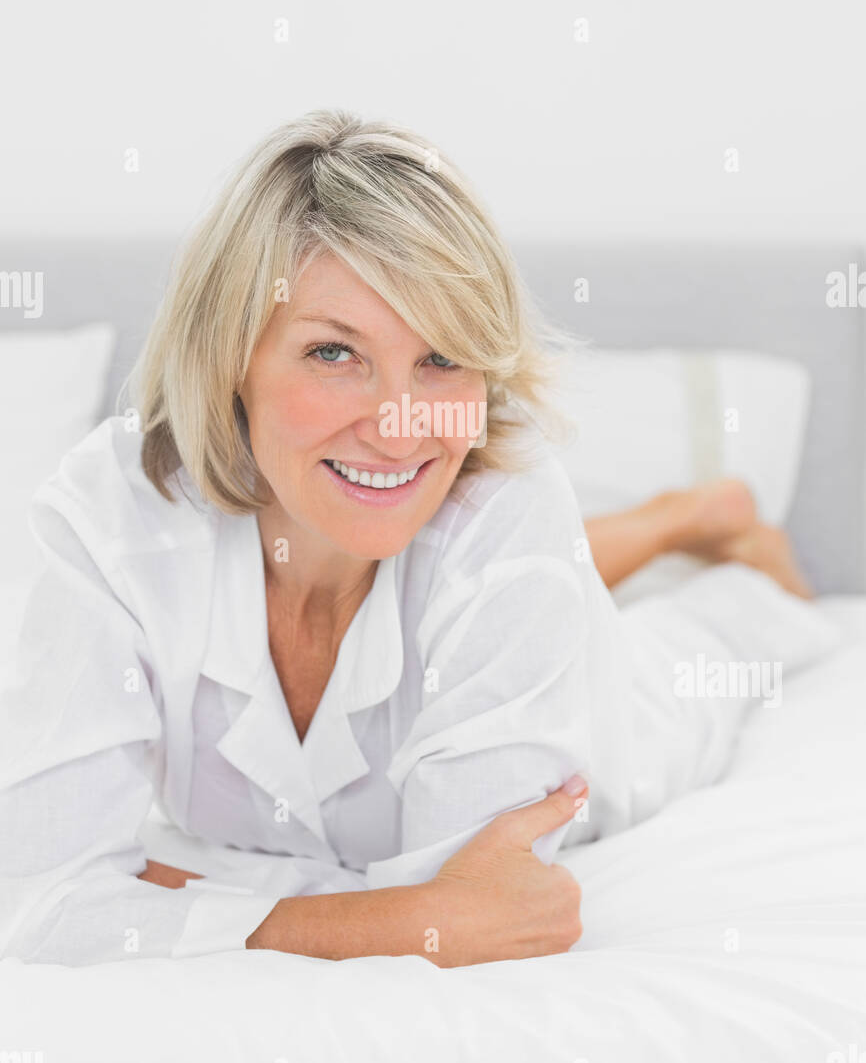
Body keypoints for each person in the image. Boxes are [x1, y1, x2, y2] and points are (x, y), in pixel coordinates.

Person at [0, 110, 813, 970]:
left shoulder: (508, 507)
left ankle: (721, 548)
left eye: (440, 360)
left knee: (700, 641)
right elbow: (40, 901)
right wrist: (388, 917)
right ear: (228, 356)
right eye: (332, 354)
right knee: (432, 545)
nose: (398, 428)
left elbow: (472, 910)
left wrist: (181, 893)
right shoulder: (110, 513)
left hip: (629, 706)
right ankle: (674, 517)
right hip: (470, 572)